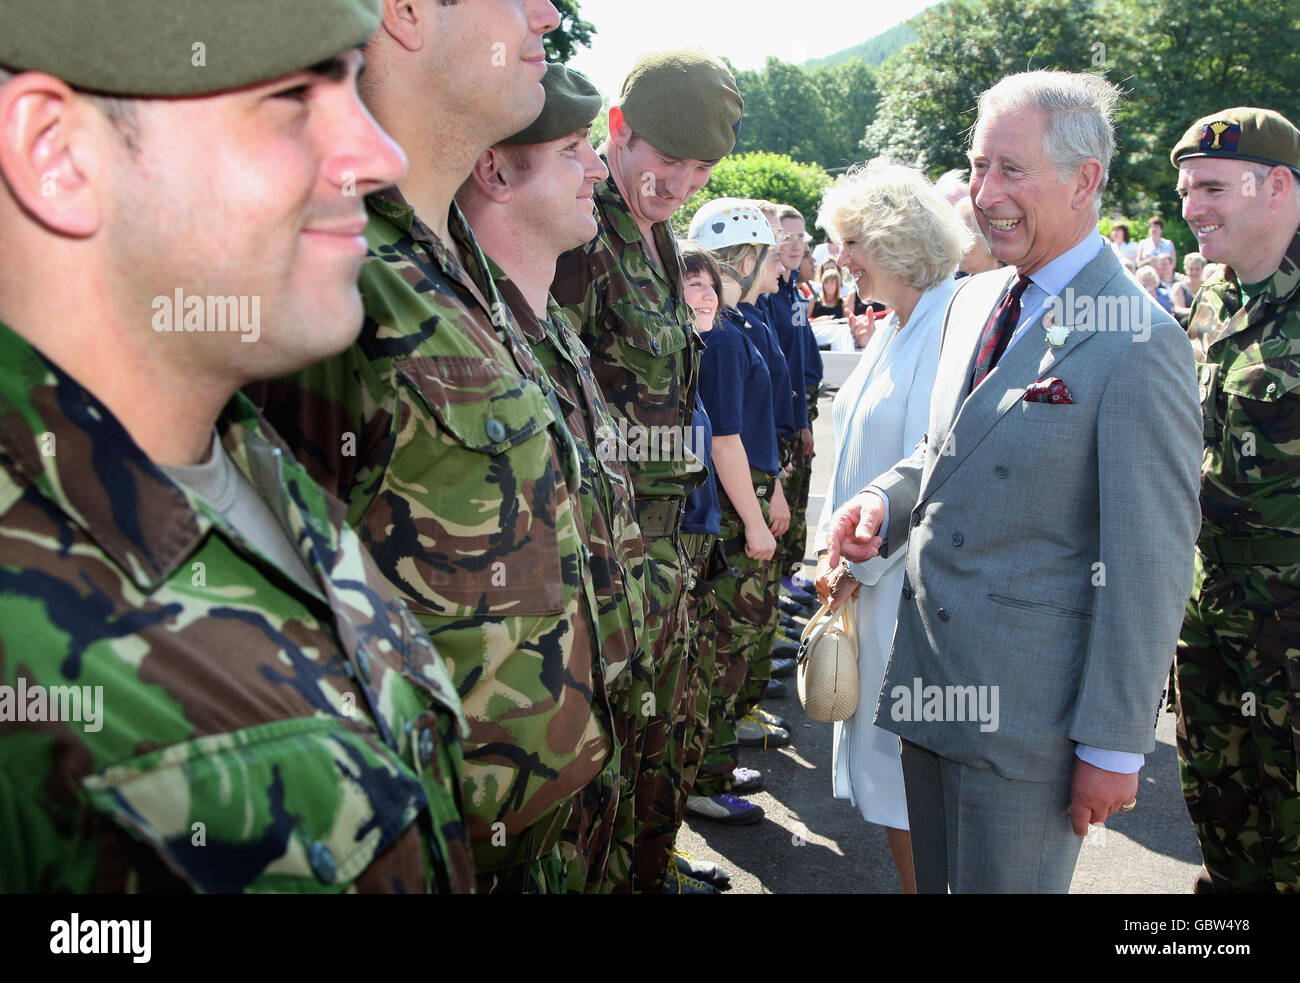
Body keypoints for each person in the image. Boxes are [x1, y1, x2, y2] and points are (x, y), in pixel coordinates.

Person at [0, 0, 474, 893]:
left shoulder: (259, 467)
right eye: (296, 96)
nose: (379, 159)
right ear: (56, 155)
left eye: (351, 83)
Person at [250, 0, 614, 896]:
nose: (547, 12)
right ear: (409, 13)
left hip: (541, 838)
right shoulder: (333, 281)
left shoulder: (458, 265)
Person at [826, 70, 1202, 894]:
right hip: (926, 693)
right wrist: (880, 502)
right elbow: (943, 450)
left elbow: (1149, 563)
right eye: (977, 166)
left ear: (1086, 179)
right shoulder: (974, 299)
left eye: (1011, 170)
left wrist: (1112, 745)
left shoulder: (1140, 341)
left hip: (1030, 728)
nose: (984, 193)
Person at [550, 48, 743, 893]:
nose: (682, 183)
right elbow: (560, 407)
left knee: (662, 746)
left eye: (699, 168)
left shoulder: (655, 234)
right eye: (668, 161)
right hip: (612, 554)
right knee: (607, 765)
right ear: (618, 132)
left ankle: (651, 871)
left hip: (665, 550)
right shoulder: (580, 229)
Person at [454, 63, 650, 894]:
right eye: (575, 150)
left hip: (587, 771)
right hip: (503, 823)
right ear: (495, 171)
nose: (600, 170)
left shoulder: (553, 329)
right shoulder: (456, 336)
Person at [813, 159, 971, 895]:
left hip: (903, 594)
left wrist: (857, 561)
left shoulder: (947, 326)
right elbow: (854, 458)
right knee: (887, 776)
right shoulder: (895, 325)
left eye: (850, 240)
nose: (838, 259)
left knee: (904, 778)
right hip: (869, 584)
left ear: (895, 238)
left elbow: (928, 476)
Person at [1170, 106, 1300, 893]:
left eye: (1212, 187)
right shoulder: (1215, 295)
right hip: (1210, 603)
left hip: (1289, 615)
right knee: (1219, 810)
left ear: (1278, 185)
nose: (1191, 207)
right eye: (1187, 188)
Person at [686, 201, 790, 826]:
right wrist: (753, 519)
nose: (778, 271)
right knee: (723, 645)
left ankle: (712, 765)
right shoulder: (720, 337)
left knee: (737, 641)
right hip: (731, 505)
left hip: (746, 492)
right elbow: (723, 439)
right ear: (745, 259)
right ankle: (704, 775)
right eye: (770, 257)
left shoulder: (733, 327)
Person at [1169, 251, 1205, 324]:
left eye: (1197, 269)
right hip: (1186, 322)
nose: (1194, 272)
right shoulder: (1179, 287)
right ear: (1186, 269)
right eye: (1191, 269)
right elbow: (1178, 310)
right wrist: (1199, 311)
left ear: (1202, 269)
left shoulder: (1207, 286)